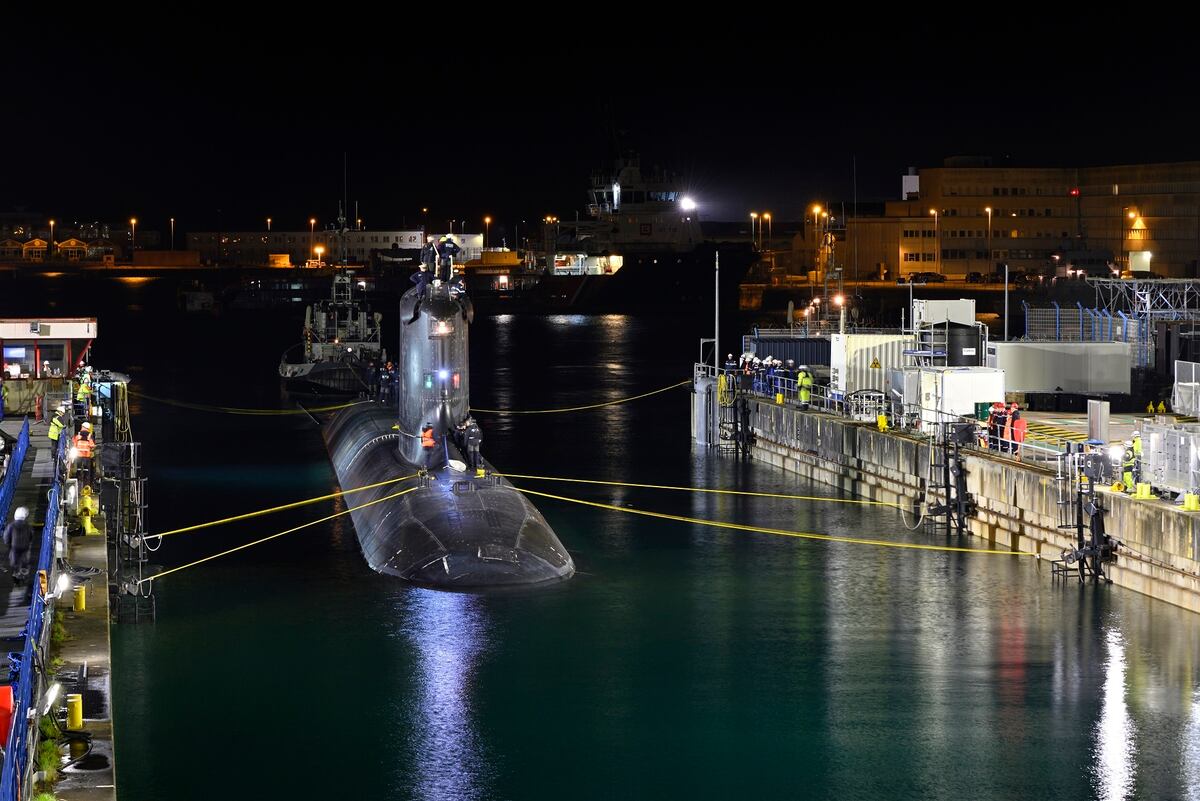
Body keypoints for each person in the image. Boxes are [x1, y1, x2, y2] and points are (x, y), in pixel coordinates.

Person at [3, 506, 34, 583]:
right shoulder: (27, 525)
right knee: (24, 560)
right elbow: (31, 535)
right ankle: (24, 574)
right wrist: (29, 542)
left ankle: (16, 575)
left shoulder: (11, 525)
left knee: (15, 561)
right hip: (25, 546)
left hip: (15, 547)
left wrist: (8, 544)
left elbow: (6, 536)